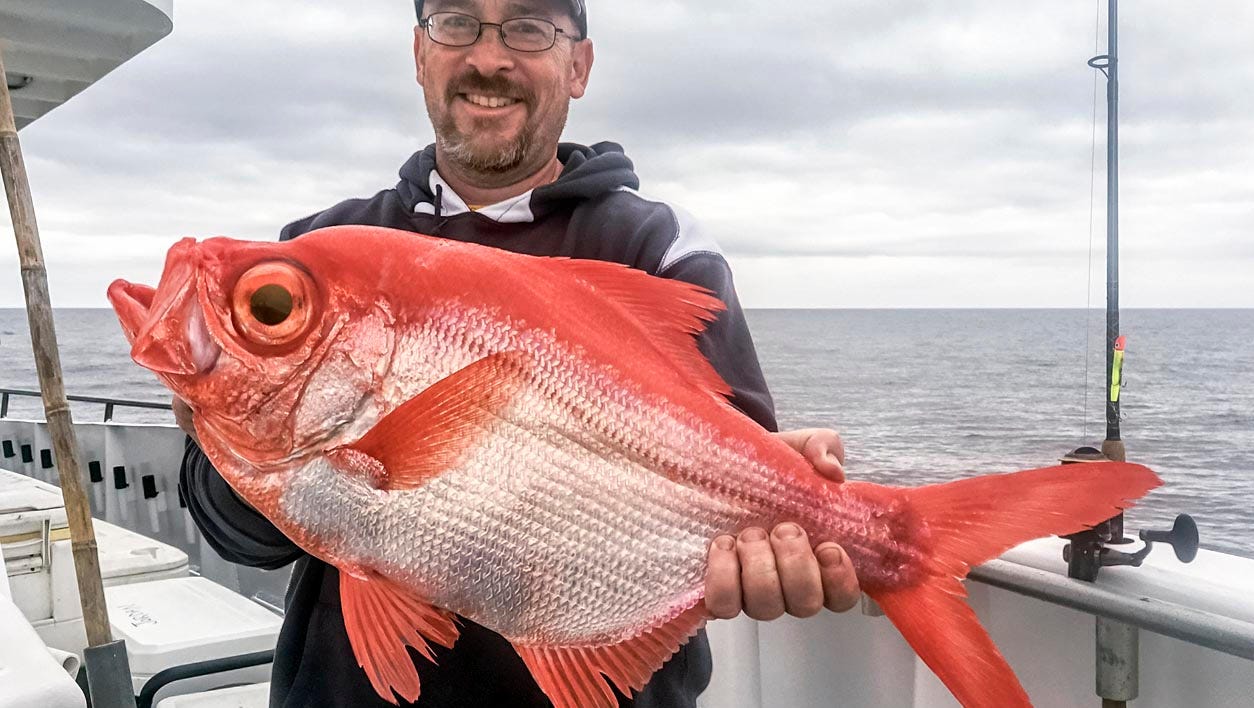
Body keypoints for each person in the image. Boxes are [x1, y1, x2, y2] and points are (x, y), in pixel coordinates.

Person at [175, 1, 861, 706]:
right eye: (456, 22)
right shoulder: (322, 247)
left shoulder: (659, 249)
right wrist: (241, 420)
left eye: (529, 27)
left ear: (580, 66)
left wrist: (780, 519)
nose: (488, 58)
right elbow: (235, 537)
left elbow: (738, 462)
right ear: (418, 53)